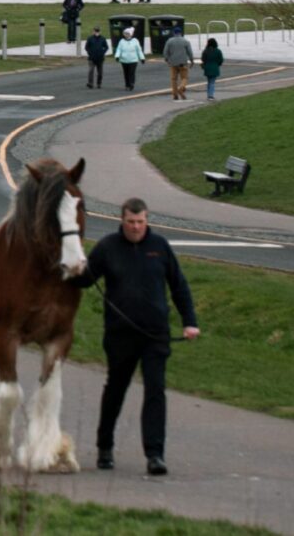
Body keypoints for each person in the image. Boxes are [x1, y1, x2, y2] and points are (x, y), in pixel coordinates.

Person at [70, 197, 199, 476]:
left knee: (155, 390)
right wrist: (74, 267)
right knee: (116, 389)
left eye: (141, 222)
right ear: (122, 221)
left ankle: (155, 455)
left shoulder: (160, 247)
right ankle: (105, 446)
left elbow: (179, 285)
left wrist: (190, 322)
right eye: (131, 222)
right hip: (120, 334)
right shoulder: (107, 247)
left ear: (147, 220)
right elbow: (84, 280)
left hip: (156, 334)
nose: (136, 227)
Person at [160, 27, 193, 100]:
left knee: (174, 79)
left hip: (173, 63)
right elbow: (190, 52)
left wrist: (167, 59)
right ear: (181, 33)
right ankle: (181, 88)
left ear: (174, 33)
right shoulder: (186, 41)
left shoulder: (169, 41)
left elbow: (165, 52)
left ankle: (175, 94)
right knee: (184, 77)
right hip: (183, 63)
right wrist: (191, 60)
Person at [114, 27, 145, 91]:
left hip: (133, 60)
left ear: (131, 34)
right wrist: (117, 56)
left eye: (128, 33)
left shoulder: (135, 41)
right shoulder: (121, 41)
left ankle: (131, 83)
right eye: (125, 33)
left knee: (132, 72)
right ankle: (127, 84)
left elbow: (139, 50)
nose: (126, 35)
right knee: (126, 73)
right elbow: (119, 49)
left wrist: (142, 58)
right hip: (124, 60)